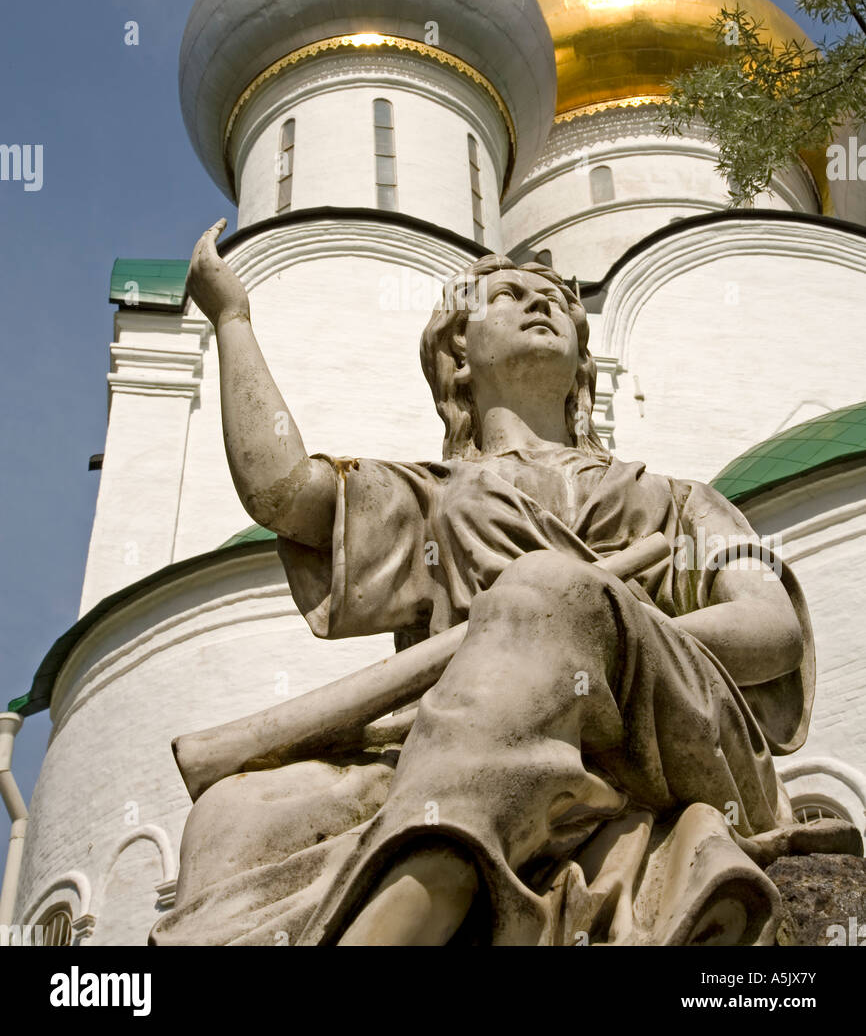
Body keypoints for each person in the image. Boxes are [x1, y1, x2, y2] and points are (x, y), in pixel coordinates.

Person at [150, 222, 857, 948]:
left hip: (667, 733)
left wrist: (589, 631)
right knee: (238, 813)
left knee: (547, 589)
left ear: (583, 360)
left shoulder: (680, 499)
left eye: (554, 299)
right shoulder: (429, 498)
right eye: (508, 297)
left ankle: (425, 891)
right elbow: (282, 494)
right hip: (458, 737)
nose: (539, 304)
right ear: (459, 357)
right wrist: (231, 319)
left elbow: (774, 631)